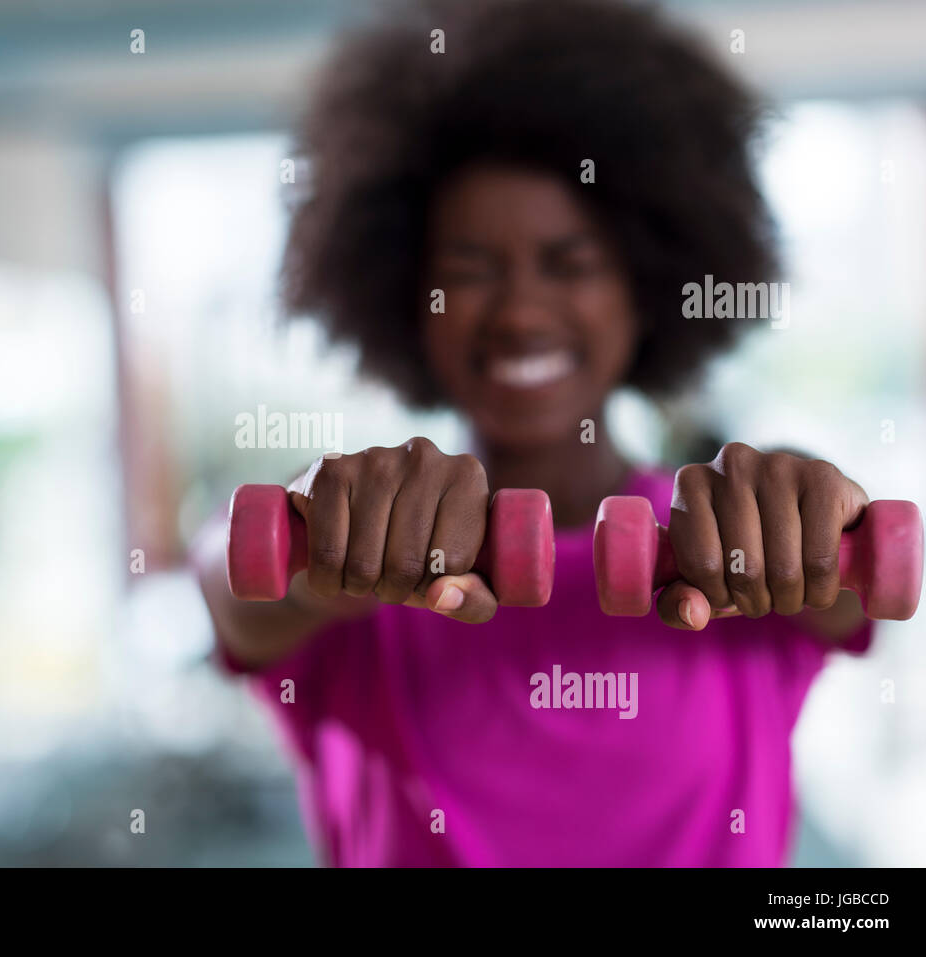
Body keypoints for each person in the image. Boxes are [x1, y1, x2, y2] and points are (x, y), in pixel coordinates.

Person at [192, 0, 872, 866]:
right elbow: (233, 580)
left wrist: (816, 510)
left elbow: (851, 579)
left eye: (571, 263)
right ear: (407, 299)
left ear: (646, 288)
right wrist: (308, 534)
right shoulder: (350, 548)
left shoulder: (731, 546)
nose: (518, 312)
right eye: (468, 272)